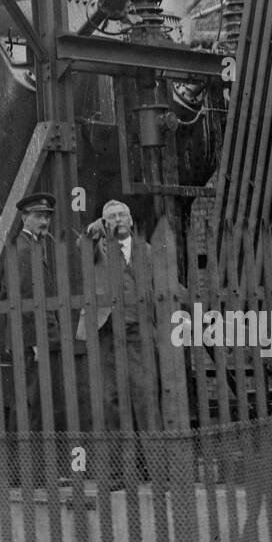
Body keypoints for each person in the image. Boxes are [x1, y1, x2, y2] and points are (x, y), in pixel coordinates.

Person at [0, 192, 76, 480]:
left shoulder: (36, 245)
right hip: (31, 339)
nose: (45, 221)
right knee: (31, 403)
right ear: (25, 217)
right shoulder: (23, 248)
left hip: (37, 338)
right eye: (39, 216)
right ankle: (30, 472)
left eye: (47, 216)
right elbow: (24, 298)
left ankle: (29, 471)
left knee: (34, 402)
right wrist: (34, 342)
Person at [76, 199, 153, 489]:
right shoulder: (95, 250)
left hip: (139, 332)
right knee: (111, 401)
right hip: (107, 332)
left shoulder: (146, 251)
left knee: (145, 398)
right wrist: (91, 231)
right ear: (104, 223)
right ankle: (120, 472)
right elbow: (80, 245)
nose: (118, 219)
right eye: (111, 216)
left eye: (122, 215)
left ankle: (152, 468)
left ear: (131, 221)